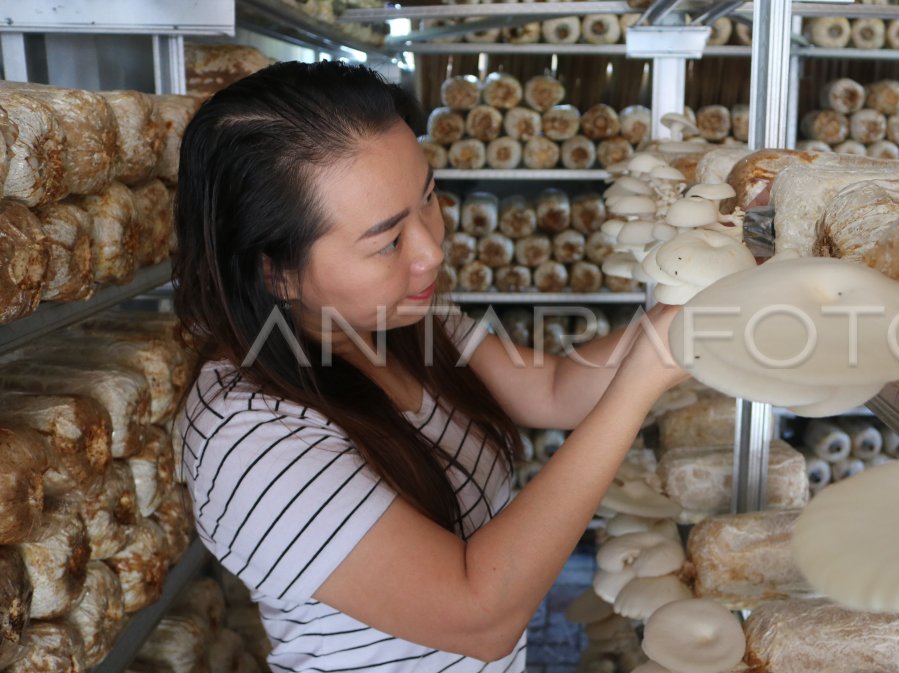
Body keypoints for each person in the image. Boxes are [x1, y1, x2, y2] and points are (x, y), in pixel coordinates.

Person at [172, 60, 687, 673]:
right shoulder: (251, 440)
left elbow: (551, 389)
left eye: (429, 199)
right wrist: (639, 386)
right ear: (273, 271)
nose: (431, 251)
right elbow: (481, 615)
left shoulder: (399, 320)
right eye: (387, 241)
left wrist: (692, 315)